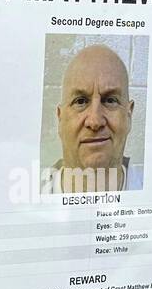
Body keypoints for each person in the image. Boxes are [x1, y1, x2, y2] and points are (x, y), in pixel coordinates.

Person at [51, 43, 141, 192]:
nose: (95, 122)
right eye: (80, 101)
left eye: (110, 100)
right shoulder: (30, 192)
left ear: (129, 114)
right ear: (60, 118)